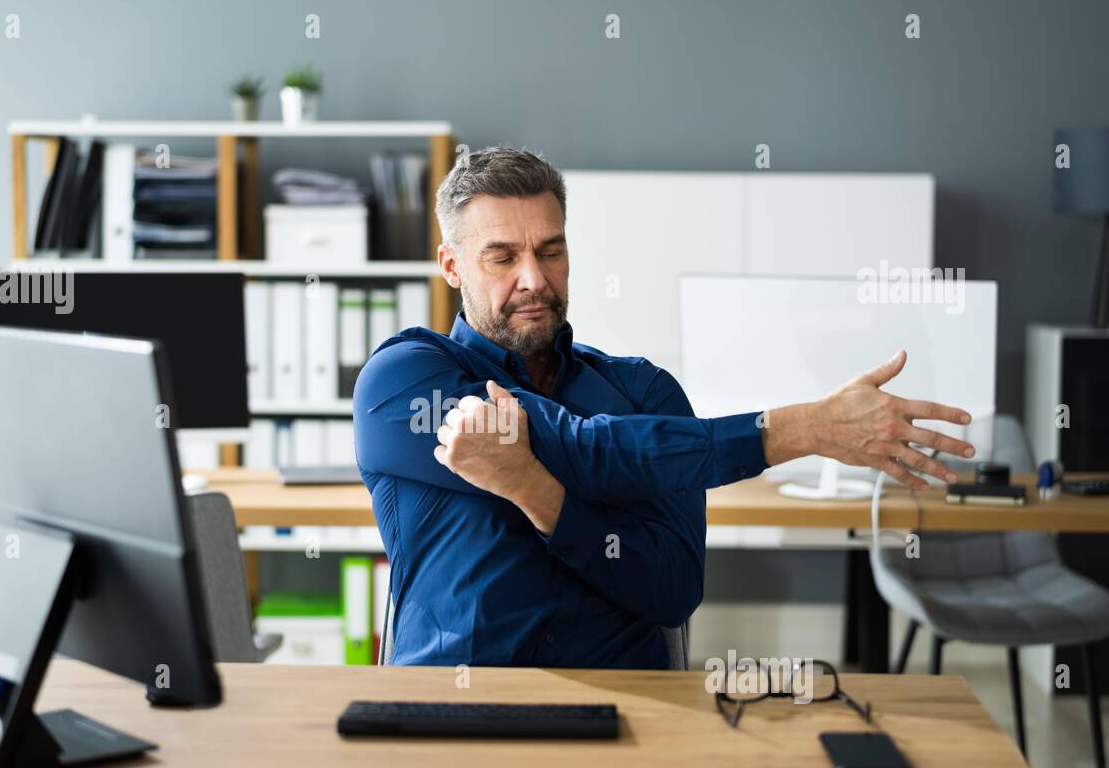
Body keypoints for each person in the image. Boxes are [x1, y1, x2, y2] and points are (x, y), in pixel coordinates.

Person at [353, 147, 973, 668]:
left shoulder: (643, 393)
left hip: (622, 716)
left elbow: (673, 592)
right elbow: (585, 449)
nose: (535, 279)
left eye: (551, 251)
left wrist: (535, 492)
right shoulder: (406, 380)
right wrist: (802, 428)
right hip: (450, 713)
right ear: (452, 266)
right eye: (502, 256)